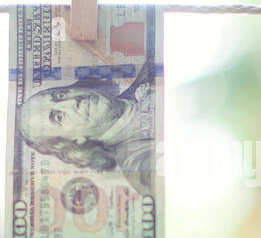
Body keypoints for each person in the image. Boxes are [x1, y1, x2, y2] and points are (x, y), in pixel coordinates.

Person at [15, 63, 158, 195]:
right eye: (59, 117)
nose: (72, 102)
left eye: (60, 95)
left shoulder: (149, 70)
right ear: (76, 142)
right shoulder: (141, 165)